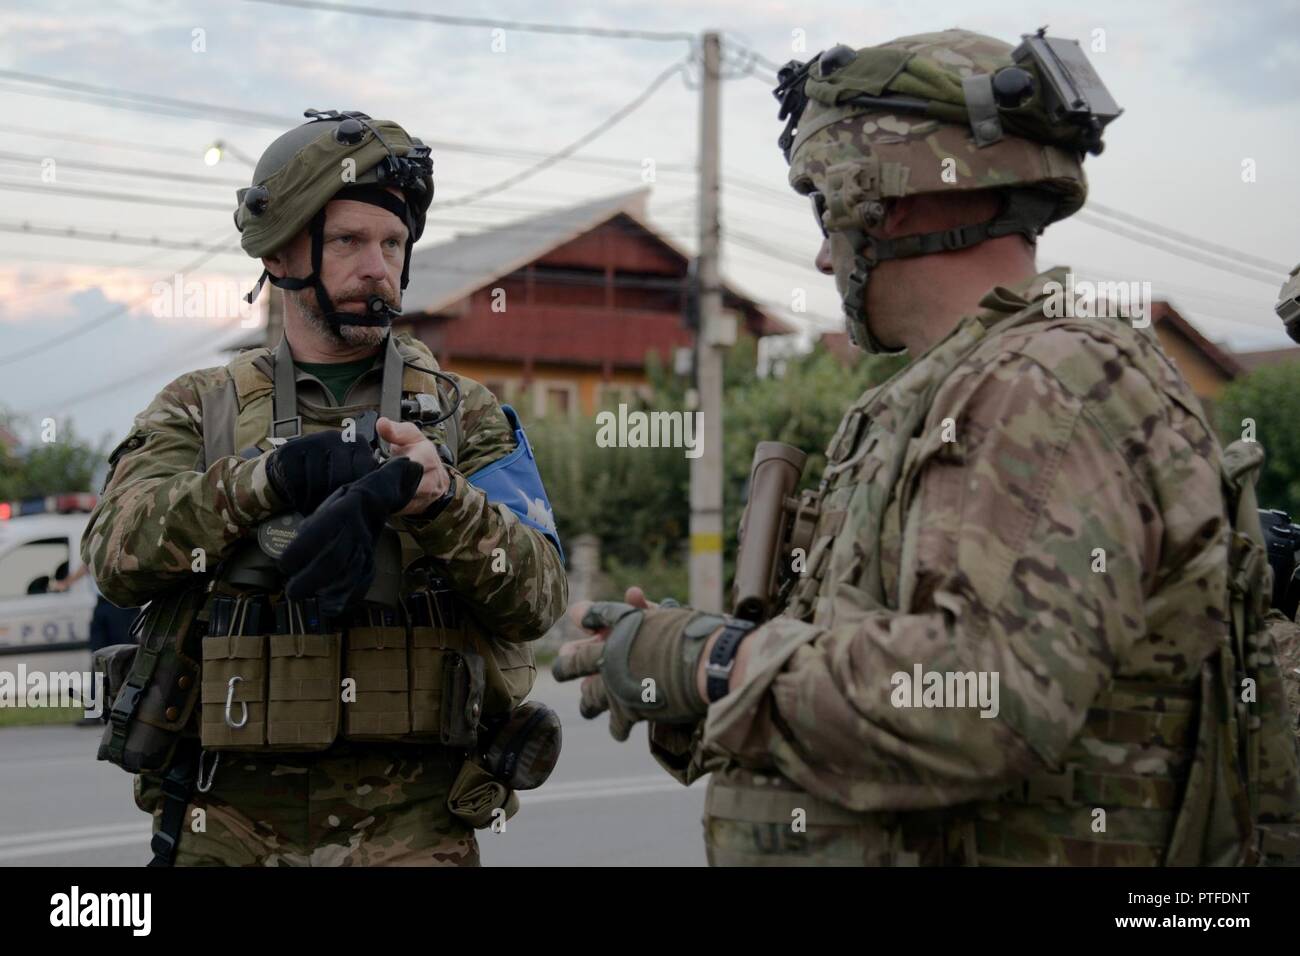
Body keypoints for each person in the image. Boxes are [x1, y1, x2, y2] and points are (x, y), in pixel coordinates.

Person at [554, 29, 1300, 866]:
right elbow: (858, 666)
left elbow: (979, 703)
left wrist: (709, 662)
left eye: (823, 205)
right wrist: (678, 669)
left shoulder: (1044, 382)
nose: (821, 248)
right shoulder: (946, 391)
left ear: (888, 200)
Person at [82, 110, 567, 866]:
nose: (377, 267)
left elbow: (538, 597)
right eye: (347, 241)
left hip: (416, 828)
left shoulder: (461, 413)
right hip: (227, 821)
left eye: (393, 244)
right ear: (279, 255)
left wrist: (445, 503)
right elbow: (117, 555)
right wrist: (265, 480)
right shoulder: (200, 404)